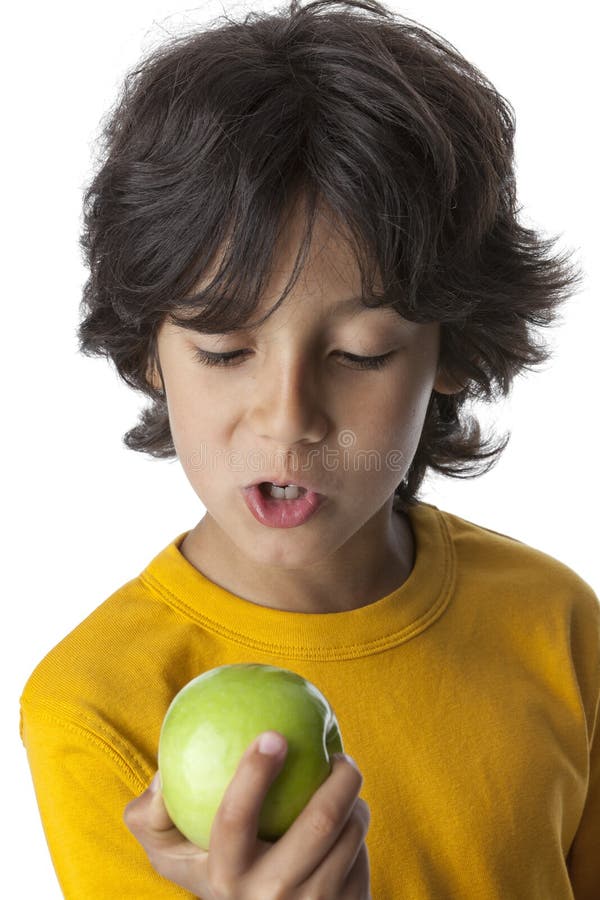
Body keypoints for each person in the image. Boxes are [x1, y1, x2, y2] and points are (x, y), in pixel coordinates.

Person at [19, 0, 599, 896]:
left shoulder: (558, 625)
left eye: (360, 354)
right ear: (148, 354)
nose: (288, 420)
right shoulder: (96, 708)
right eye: (223, 351)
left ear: (452, 350)